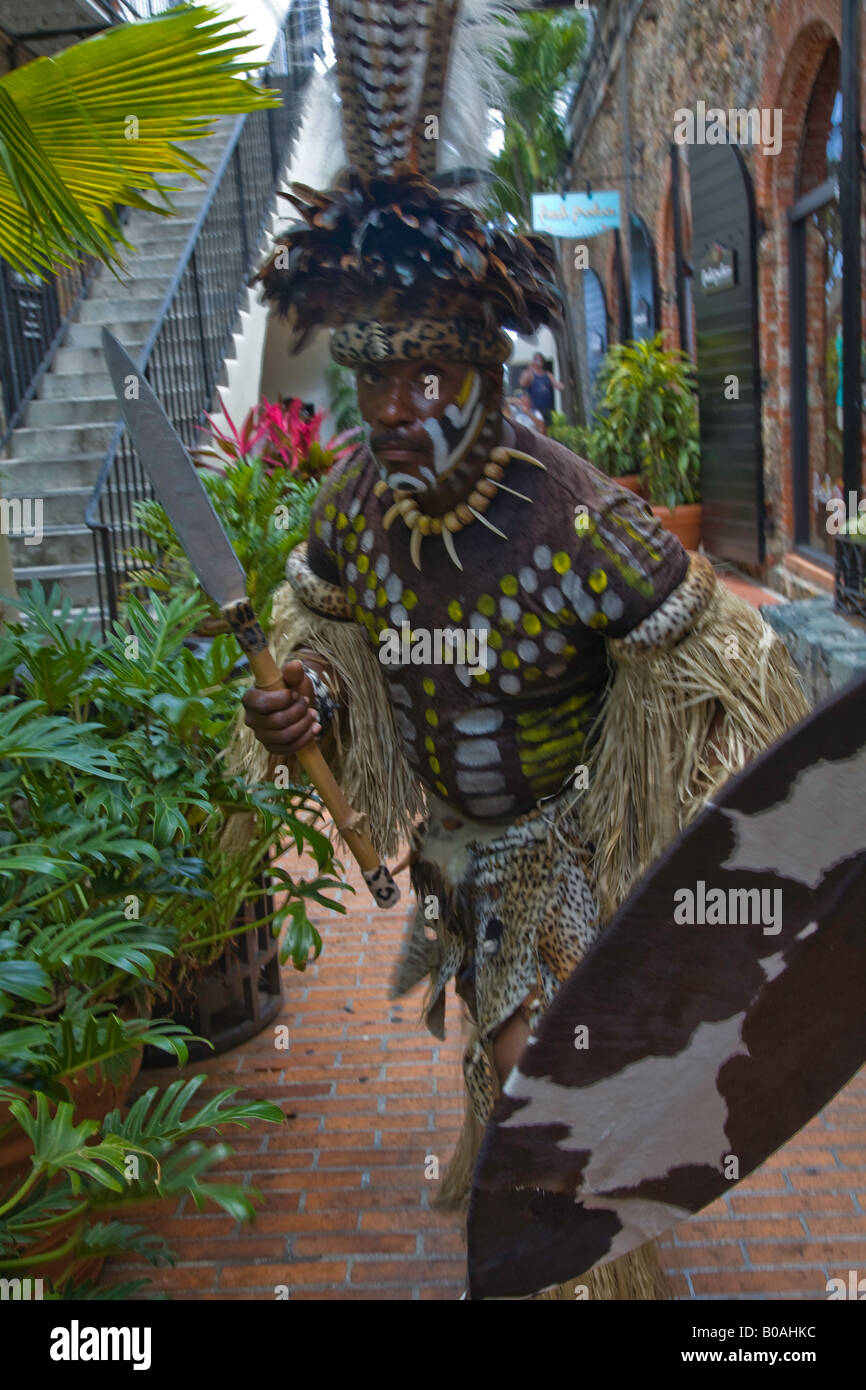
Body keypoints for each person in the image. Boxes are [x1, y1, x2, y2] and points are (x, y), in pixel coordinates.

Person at [228, 0, 810, 1301]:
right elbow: (321, 633)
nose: (398, 409)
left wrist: (704, 818)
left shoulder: (576, 514)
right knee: (518, 1060)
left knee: (556, 1050)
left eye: (428, 376)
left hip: (568, 836)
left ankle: (594, 1258)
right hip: (455, 840)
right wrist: (308, 695)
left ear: (484, 376)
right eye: (376, 379)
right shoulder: (356, 517)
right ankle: (582, 1245)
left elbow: (710, 654)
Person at [519, 351, 564, 428]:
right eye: (536, 359)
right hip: (535, 408)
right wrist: (529, 368)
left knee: (546, 429)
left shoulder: (547, 374)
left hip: (546, 408)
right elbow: (522, 383)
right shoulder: (530, 374)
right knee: (537, 428)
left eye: (539, 360)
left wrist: (562, 385)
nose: (538, 362)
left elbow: (557, 385)